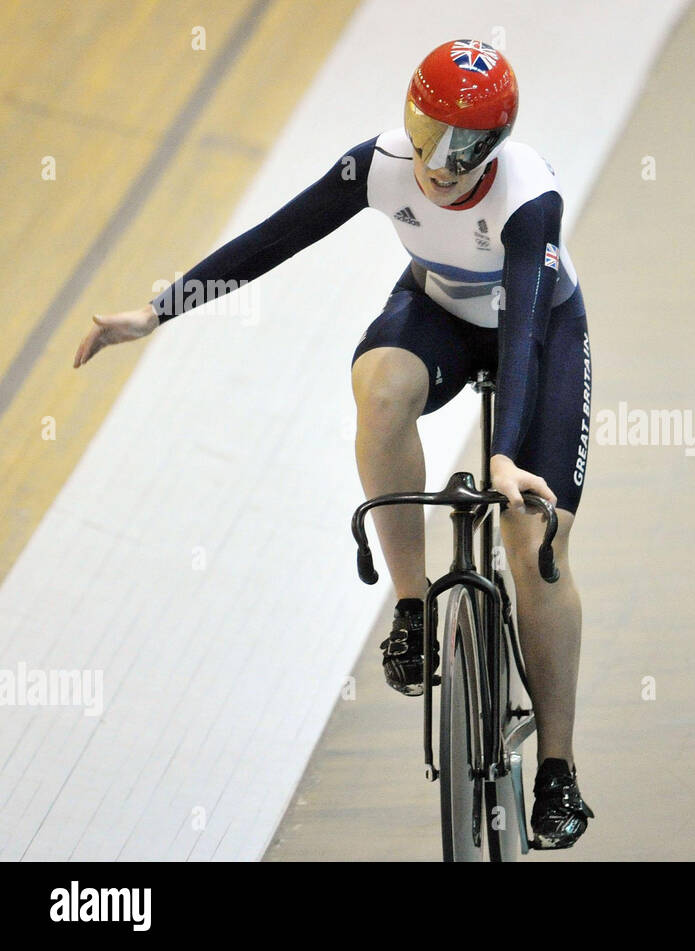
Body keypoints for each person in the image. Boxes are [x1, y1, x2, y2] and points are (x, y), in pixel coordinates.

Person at [72, 39, 594, 849]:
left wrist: (504, 453)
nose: (432, 159)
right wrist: (159, 310)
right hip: (443, 314)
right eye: (423, 128)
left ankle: (558, 768)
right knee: (381, 391)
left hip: (540, 334)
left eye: (455, 146)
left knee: (534, 540)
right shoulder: (381, 166)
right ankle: (414, 601)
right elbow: (275, 239)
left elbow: (523, 333)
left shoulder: (530, 200)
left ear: (491, 149)